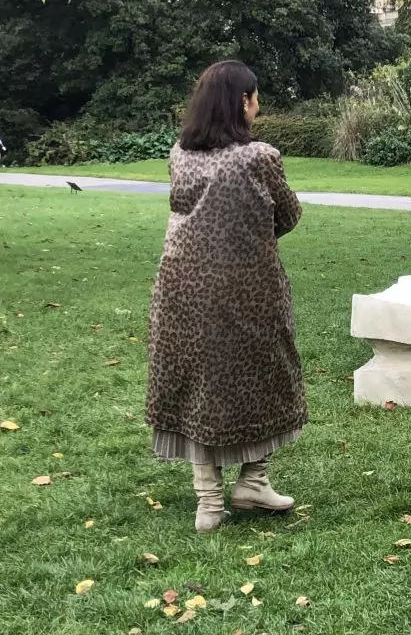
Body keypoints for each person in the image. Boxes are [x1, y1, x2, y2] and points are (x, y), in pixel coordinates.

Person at [146, 60, 306, 533]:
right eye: (256, 97)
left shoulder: (180, 153)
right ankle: (253, 481)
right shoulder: (260, 157)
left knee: (198, 383)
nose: (259, 106)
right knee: (265, 375)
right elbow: (289, 215)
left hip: (180, 289)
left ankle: (209, 503)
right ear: (242, 101)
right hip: (246, 290)